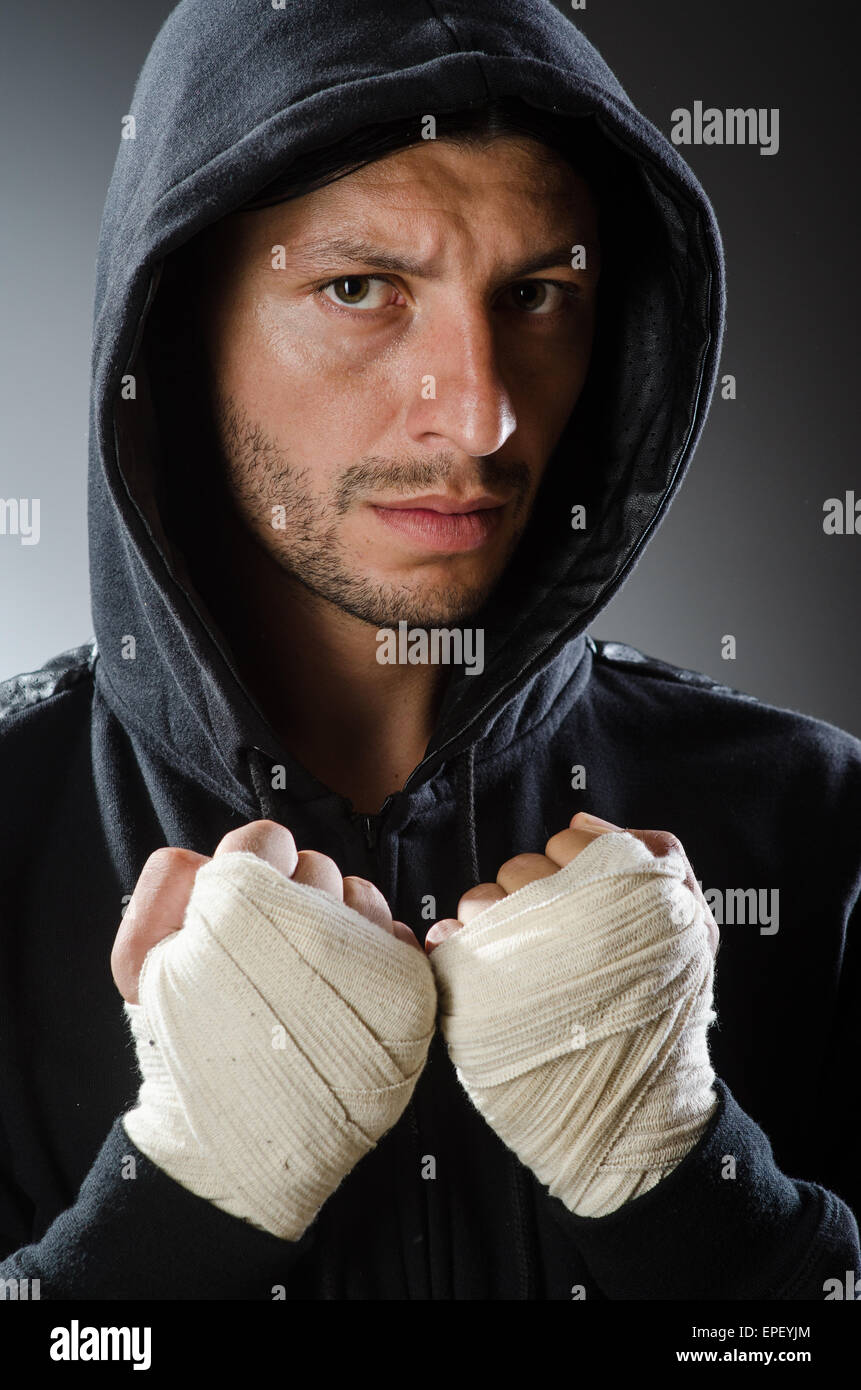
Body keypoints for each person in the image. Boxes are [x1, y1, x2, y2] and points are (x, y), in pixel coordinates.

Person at [0, 0, 857, 1301]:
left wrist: (678, 1178)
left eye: (536, 295)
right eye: (359, 290)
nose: (479, 412)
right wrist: (177, 1207)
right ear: (179, 324)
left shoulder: (817, 818)